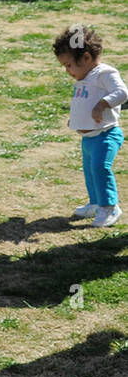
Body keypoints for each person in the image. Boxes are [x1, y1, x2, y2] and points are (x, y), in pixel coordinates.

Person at [55, 25, 125, 228]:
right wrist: (76, 119)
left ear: (86, 58)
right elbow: (83, 102)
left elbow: (122, 93)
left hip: (106, 135)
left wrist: (103, 104)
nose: (67, 71)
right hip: (89, 138)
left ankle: (110, 207)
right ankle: (96, 203)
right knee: (90, 171)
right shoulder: (84, 76)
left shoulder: (105, 73)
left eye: (69, 65)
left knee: (100, 168)